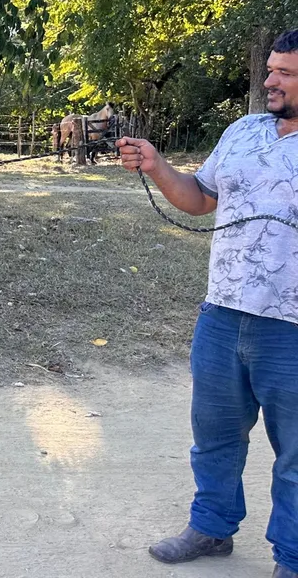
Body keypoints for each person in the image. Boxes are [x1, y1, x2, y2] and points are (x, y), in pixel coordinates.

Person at [116, 29, 298, 578]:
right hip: (221, 315)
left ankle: (291, 556)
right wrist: (155, 165)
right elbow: (199, 197)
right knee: (214, 435)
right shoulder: (243, 130)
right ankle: (212, 526)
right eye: (270, 69)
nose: (269, 80)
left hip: (290, 328)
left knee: (294, 457)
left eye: (284, 73)